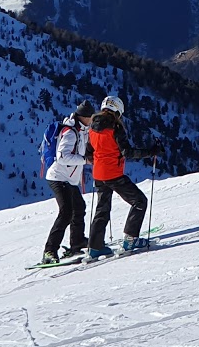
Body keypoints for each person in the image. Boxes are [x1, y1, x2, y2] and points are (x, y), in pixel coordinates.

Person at [86, 94, 156, 258]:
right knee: (139, 201)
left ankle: (95, 247)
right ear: (118, 111)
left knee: (101, 209)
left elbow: (89, 153)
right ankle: (130, 239)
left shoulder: (92, 128)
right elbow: (128, 152)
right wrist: (151, 151)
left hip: (99, 174)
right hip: (114, 174)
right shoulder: (115, 129)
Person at [41, 99, 96, 264]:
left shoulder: (81, 130)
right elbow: (63, 156)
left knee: (79, 208)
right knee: (66, 212)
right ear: (84, 117)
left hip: (68, 178)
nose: (93, 120)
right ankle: (49, 251)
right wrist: (86, 160)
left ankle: (77, 241)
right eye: (91, 117)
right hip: (58, 177)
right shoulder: (71, 132)